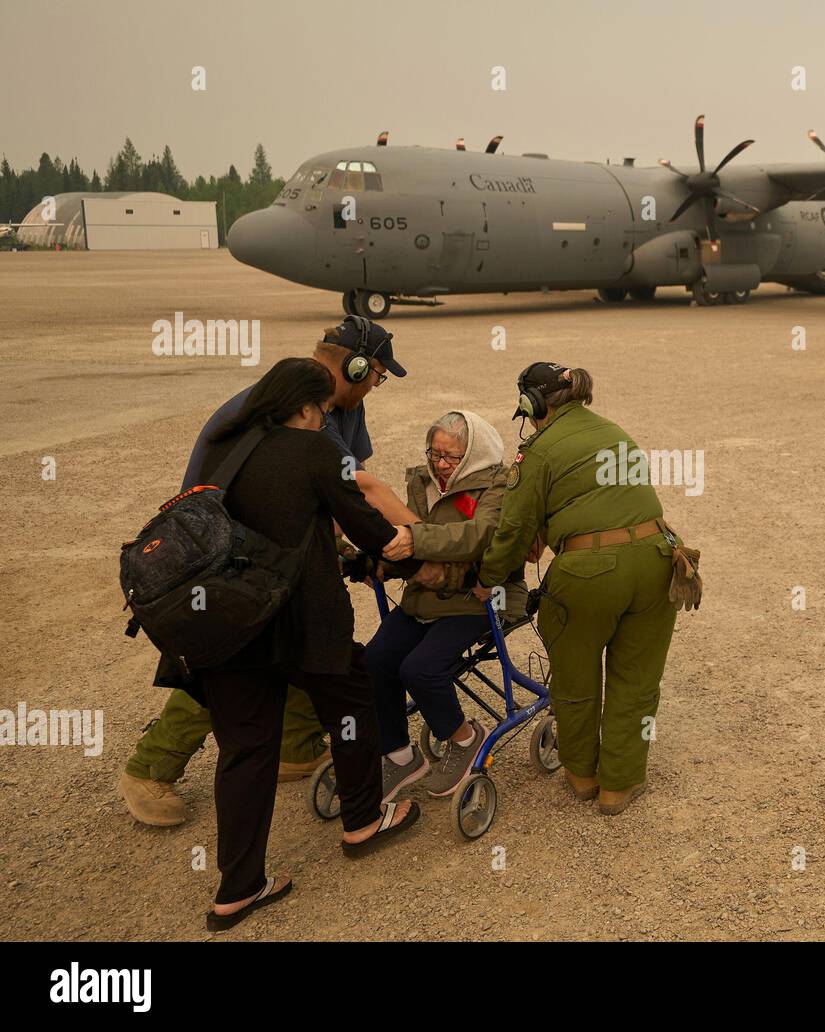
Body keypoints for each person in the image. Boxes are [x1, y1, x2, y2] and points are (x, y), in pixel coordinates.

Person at [118, 317, 414, 826]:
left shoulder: (344, 405)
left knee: (309, 645)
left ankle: (297, 746)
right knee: (239, 662)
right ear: (356, 366)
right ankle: (151, 769)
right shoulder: (279, 403)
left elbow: (333, 491)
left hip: (285, 552)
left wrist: (342, 549)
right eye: (377, 375)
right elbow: (361, 487)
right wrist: (425, 541)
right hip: (228, 559)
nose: (375, 387)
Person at [161, 357, 420, 931]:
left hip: (227, 625)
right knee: (352, 701)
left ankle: (237, 889)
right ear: (305, 406)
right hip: (299, 622)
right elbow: (367, 527)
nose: (324, 418)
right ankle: (362, 822)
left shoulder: (224, 447)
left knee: (246, 751)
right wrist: (402, 543)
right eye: (323, 409)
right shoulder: (312, 450)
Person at [472, 363, 678, 816]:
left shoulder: (538, 452)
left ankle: (582, 777)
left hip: (590, 573)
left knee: (576, 676)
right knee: (637, 681)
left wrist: (487, 580)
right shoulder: (615, 432)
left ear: (531, 405)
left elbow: (513, 530)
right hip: (660, 559)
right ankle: (619, 787)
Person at [365, 411, 528, 802]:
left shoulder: (499, 484)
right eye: (434, 453)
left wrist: (412, 540)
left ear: (473, 453)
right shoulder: (421, 482)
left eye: (451, 457)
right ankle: (401, 757)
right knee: (372, 662)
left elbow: (477, 536)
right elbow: (404, 541)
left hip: (478, 598)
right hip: (425, 596)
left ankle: (466, 738)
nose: (439, 464)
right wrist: (379, 560)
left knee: (420, 668)